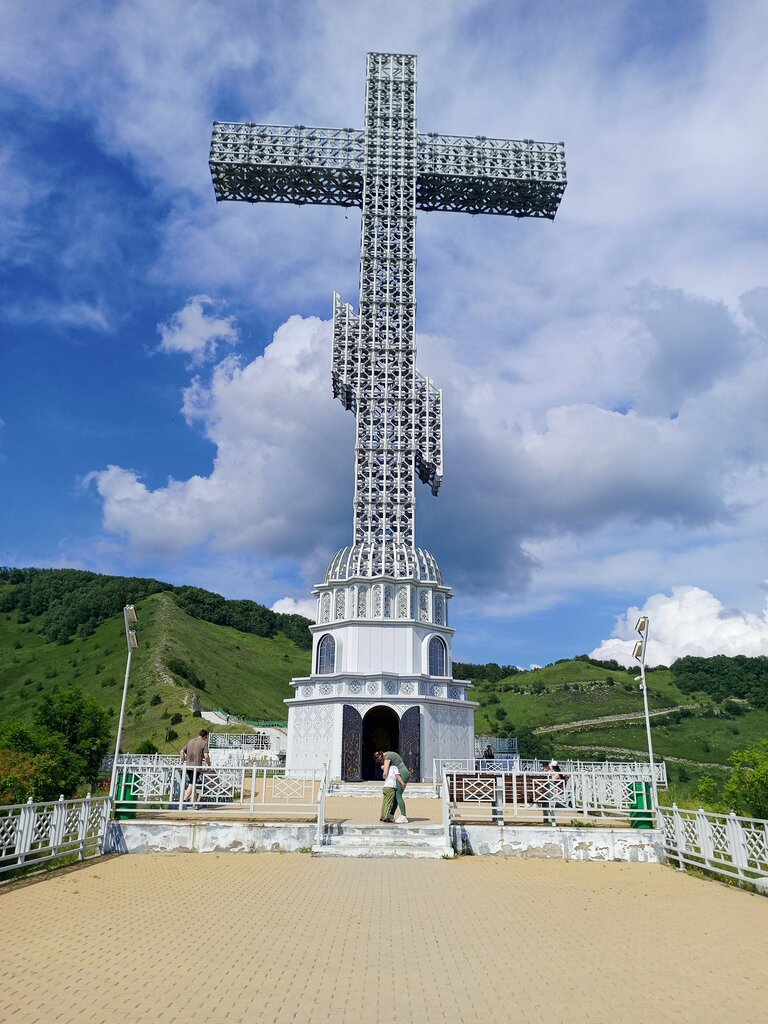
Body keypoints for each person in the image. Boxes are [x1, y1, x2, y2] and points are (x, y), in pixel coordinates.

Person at [374, 750, 410, 824]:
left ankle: (403, 816)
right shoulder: (389, 753)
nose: (381, 763)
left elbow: (385, 773)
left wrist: (384, 775)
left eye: (380, 762)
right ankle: (391, 815)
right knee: (396, 796)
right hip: (403, 772)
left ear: (380, 758)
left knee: (398, 795)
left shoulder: (387, 758)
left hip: (401, 774)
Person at [180, 728, 212, 807]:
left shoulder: (191, 741)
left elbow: (181, 752)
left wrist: (183, 760)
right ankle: (184, 800)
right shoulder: (204, 743)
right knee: (192, 783)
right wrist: (209, 765)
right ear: (205, 736)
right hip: (196, 767)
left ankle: (194, 803)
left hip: (188, 766)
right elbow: (206, 756)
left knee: (193, 783)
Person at [541, 759, 563, 826]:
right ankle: (551, 821)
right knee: (545, 799)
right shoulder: (557, 772)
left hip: (552, 791)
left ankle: (549, 820)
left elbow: (553, 780)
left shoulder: (556, 773)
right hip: (550, 790)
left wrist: (549, 772)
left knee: (546, 799)